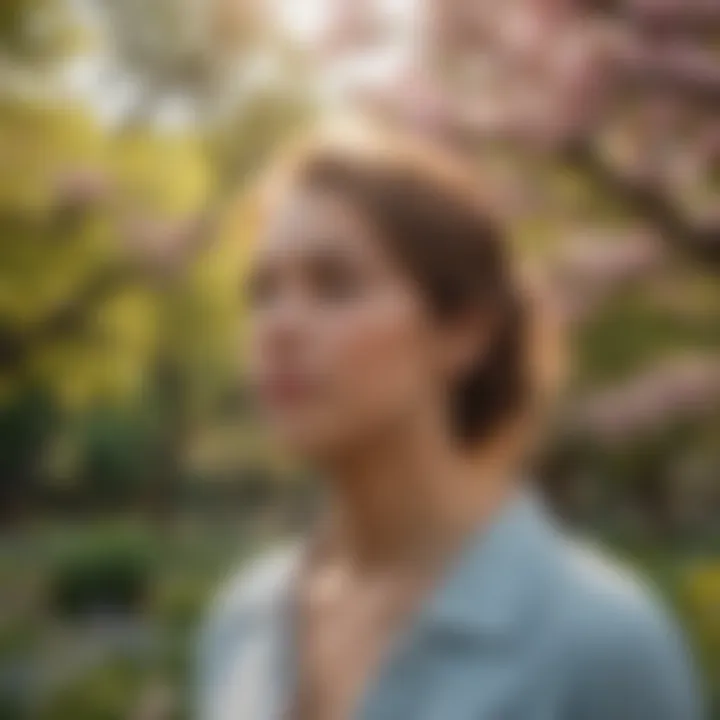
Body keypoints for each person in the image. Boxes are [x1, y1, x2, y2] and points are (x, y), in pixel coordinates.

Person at [196, 121, 703, 720]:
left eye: (334, 285)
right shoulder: (242, 621)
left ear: (464, 330)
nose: (278, 327)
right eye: (262, 292)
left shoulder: (599, 641)